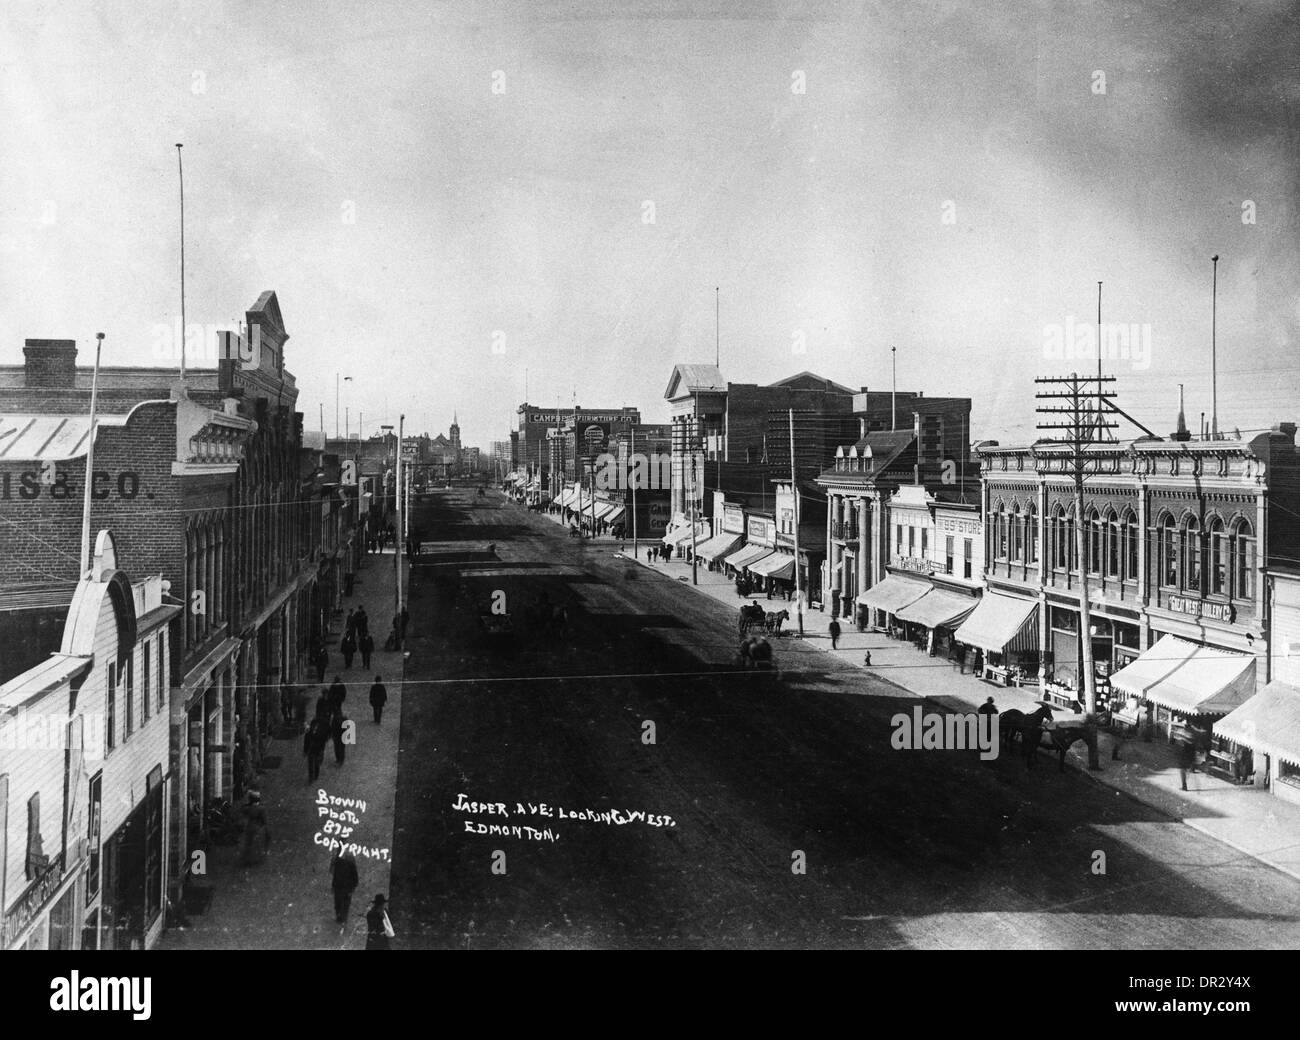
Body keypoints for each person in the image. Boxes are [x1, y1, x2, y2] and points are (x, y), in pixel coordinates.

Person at [238, 791, 270, 866]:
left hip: (249, 826)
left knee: (248, 843)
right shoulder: (261, 809)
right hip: (258, 827)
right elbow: (265, 820)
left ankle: (247, 859)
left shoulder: (248, 808)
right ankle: (255, 859)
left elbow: (242, 809)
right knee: (256, 844)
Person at [331, 849, 359, 927]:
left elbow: (355, 880)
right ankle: (341, 921)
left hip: (343, 890)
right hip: (342, 890)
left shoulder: (343, 865)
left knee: (341, 906)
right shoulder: (343, 865)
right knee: (341, 906)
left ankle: (342, 921)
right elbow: (355, 880)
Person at [304, 715, 329, 782]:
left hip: (317, 748)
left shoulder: (322, 728)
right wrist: (305, 750)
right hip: (313, 748)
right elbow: (307, 739)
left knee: (316, 762)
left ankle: (315, 775)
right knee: (311, 762)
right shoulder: (311, 729)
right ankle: (312, 777)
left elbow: (324, 739)